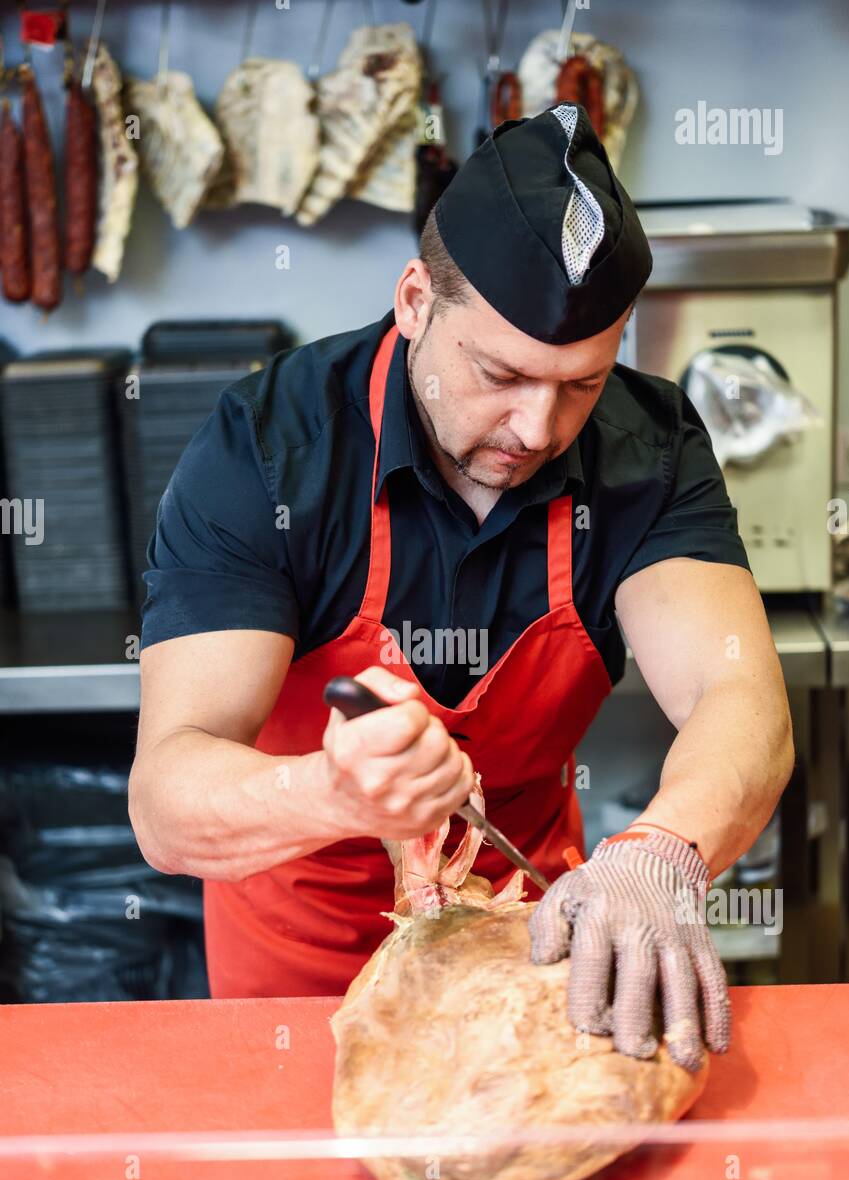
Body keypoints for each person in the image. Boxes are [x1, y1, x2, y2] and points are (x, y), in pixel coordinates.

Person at [129, 103, 794, 1072]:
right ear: (413, 301)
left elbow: (740, 696)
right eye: (499, 372)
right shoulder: (269, 448)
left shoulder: (647, 448)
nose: (535, 426)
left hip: (532, 953)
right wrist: (335, 789)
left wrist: (663, 849)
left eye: (580, 384)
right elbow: (166, 799)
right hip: (297, 980)